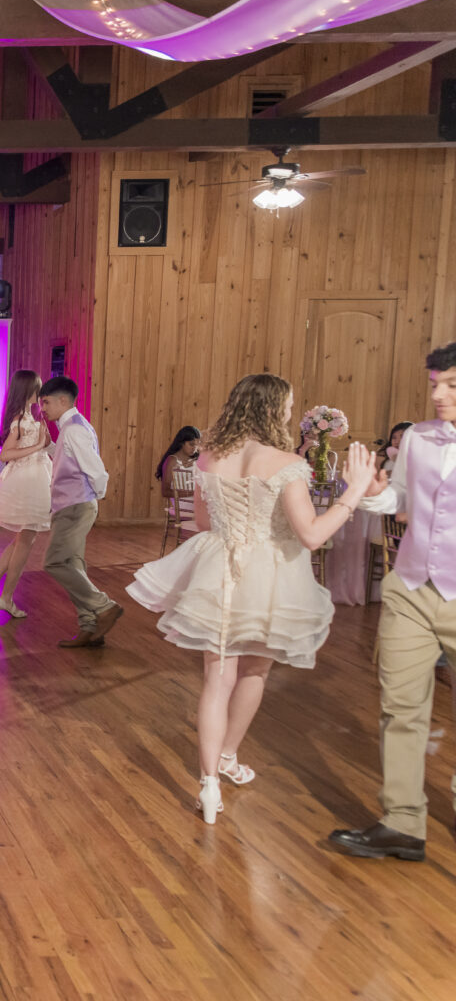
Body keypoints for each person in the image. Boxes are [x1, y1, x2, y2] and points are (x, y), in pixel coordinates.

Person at [128, 374, 377, 824]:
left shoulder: (209, 457)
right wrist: (354, 493)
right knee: (257, 668)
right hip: (271, 572)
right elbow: (312, 536)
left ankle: (209, 784)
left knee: (215, 678)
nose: (289, 412)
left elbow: (203, 525)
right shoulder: (286, 463)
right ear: (273, 409)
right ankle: (226, 755)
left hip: (218, 567)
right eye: (287, 405)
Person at [330, 342, 456, 861]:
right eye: (434, 386)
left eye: (450, 386)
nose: (439, 396)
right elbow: (398, 502)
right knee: (401, 707)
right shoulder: (421, 440)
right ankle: (403, 821)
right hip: (410, 587)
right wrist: (372, 492)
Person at [37, 376, 123, 648]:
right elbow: (69, 460)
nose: (43, 409)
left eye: (46, 402)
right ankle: (90, 625)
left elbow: (96, 470)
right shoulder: (72, 427)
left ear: (63, 400)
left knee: (54, 562)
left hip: (75, 506)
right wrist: (49, 446)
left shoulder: (73, 429)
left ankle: (104, 606)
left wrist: (92, 497)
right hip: (72, 504)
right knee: (73, 565)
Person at [0, 370, 52, 619]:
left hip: (37, 477)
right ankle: (6, 598)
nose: (40, 393)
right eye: (37, 388)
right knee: (25, 542)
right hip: (28, 481)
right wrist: (37, 446)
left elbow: (47, 447)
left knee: (21, 540)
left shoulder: (33, 417)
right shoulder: (20, 419)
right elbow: (6, 455)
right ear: (28, 389)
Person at [156, 425, 202, 494]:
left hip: (197, 502)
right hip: (180, 503)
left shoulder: (198, 460)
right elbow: (165, 491)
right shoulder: (172, 461)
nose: (194, 448)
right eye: (191, 444)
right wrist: (192, 493)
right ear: (181, 442)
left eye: (197, 445)